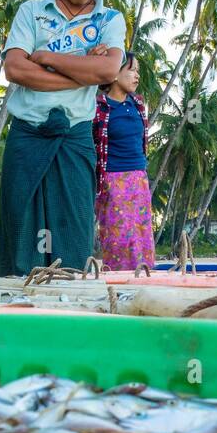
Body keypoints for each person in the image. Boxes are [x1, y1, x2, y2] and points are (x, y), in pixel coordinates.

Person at [0, 0, 127, 274]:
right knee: (19, 240)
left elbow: (108, 72)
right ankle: (16, 320)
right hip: (27, 137)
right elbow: (16, 70)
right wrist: (83, 70)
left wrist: (49, 59)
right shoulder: (31, 12)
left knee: (72, 241)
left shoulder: (110, 19)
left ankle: (68, 319)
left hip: (75, 141)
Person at [93, 52, 155, 270]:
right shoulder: (99, 107)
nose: (137, 75)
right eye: (132, 70)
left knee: (141, 233)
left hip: (139, 178)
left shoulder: (138, 104)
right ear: (114, 74)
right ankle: (118, 279)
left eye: (138, 70)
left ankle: (143, 276)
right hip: (112, 180)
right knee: (117, 235)